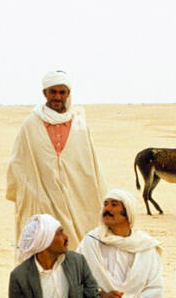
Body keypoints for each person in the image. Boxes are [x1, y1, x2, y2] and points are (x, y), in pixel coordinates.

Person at [6, 70, 106, 249]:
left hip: (78, 198)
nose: (57, 97)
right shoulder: (30, 125)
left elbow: (92, 166)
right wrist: (29, 191)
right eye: (53, 92)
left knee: (81, 247)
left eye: (62, 92)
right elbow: (18, 163)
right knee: (44, 244)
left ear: (68, 94)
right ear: (45, 93)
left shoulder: (80, 126)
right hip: (42, 197)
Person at [75, 189, 165, 298]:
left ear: (127, 213)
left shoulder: (145, 246)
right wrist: (102, 296)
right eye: (105, 204)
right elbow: (75, 280)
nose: (107, 209)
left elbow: (154, 286)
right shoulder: (91, 241)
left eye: (114, 205)